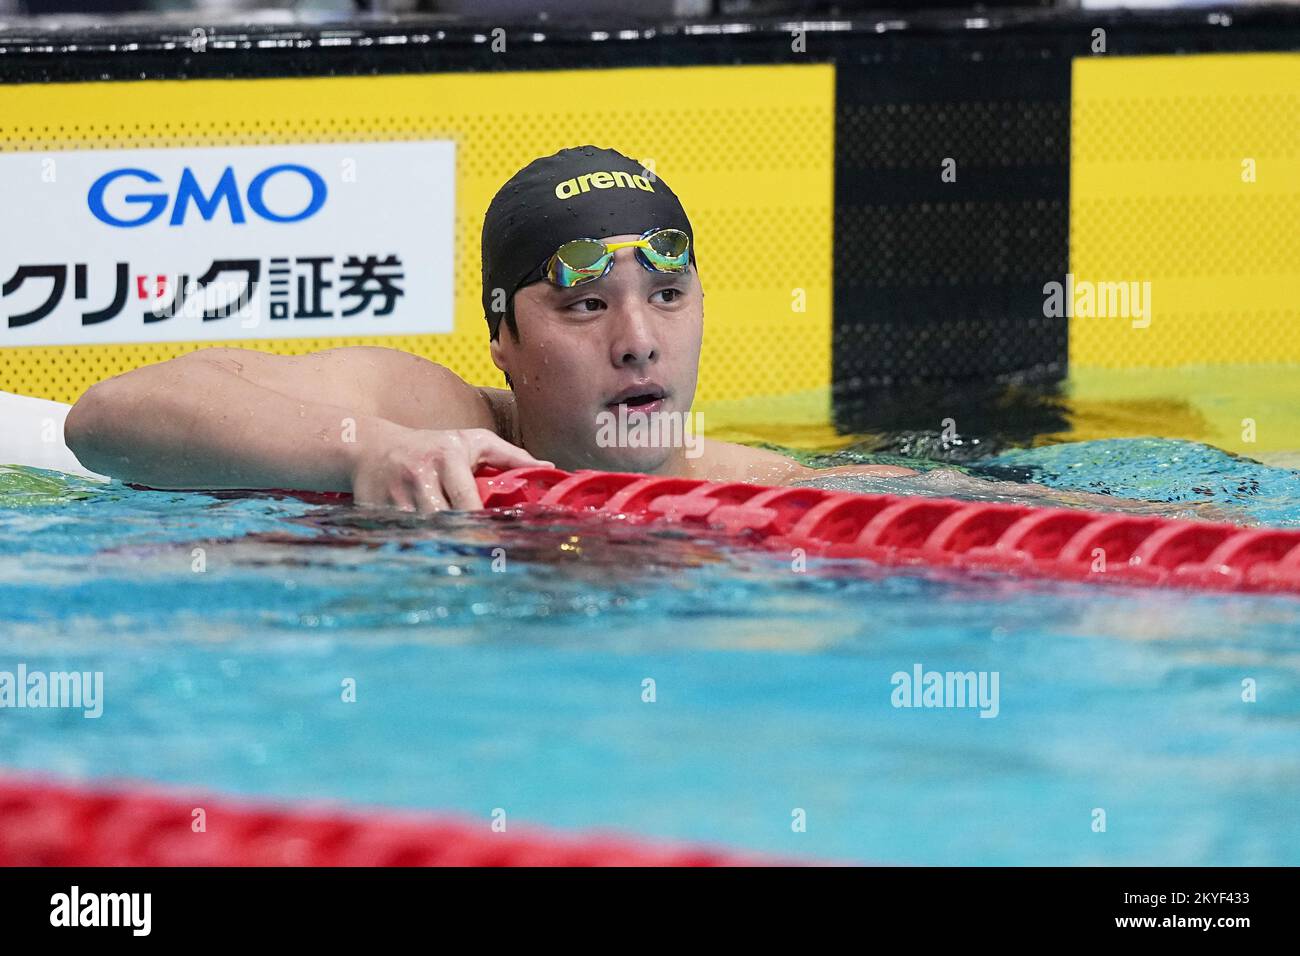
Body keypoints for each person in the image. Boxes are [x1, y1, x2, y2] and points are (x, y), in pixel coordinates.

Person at [62, 145, 1176, 516]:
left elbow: (1002, 521)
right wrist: (364, 452)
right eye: (586, 304)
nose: (640, 343)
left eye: (669, 299)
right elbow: (106, 418)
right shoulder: (428, 416)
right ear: (501, 333)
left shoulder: (741, 481)